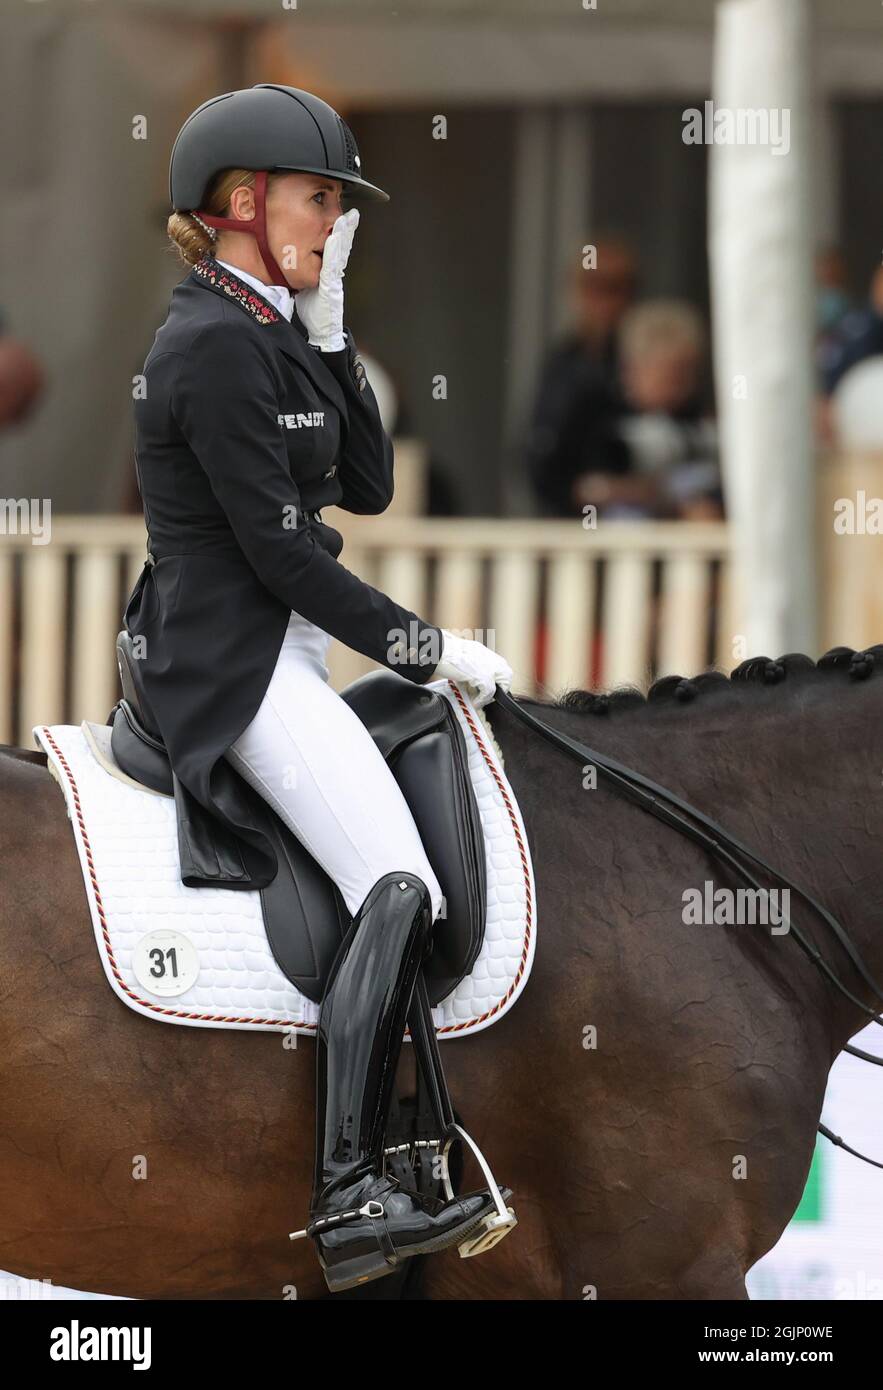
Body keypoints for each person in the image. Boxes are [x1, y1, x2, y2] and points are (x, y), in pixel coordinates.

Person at [123, 84, 513, 1292]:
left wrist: (333, 328)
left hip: (281, 651)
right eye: (318, 199)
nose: (334, 223)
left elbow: (369, 483)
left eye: (342, 206)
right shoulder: (206, 344)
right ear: (241, 202)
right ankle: (350, 1190)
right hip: (228, 664)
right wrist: (426, 647)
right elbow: (284, 553)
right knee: (396, 878)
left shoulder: (272, 328)